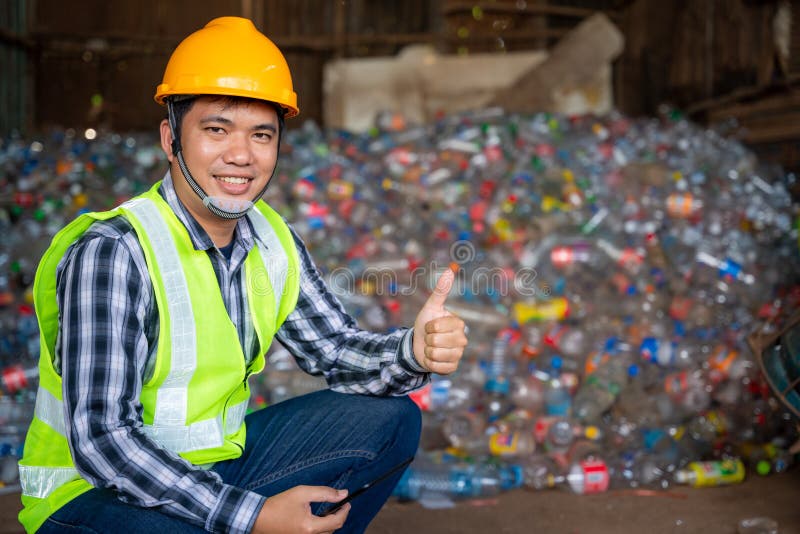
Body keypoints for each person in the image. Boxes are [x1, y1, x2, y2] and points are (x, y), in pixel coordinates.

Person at [18, 16, 468, 534]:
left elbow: (336, 350)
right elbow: (103, 441)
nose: (241, 155)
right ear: (171, 139)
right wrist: (251, 515)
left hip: (214, 468)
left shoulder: (272, 240)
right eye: (216, 129)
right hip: (88, 496)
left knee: (392, 421)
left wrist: (414, 350)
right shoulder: (114, 253)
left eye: (261, 135)